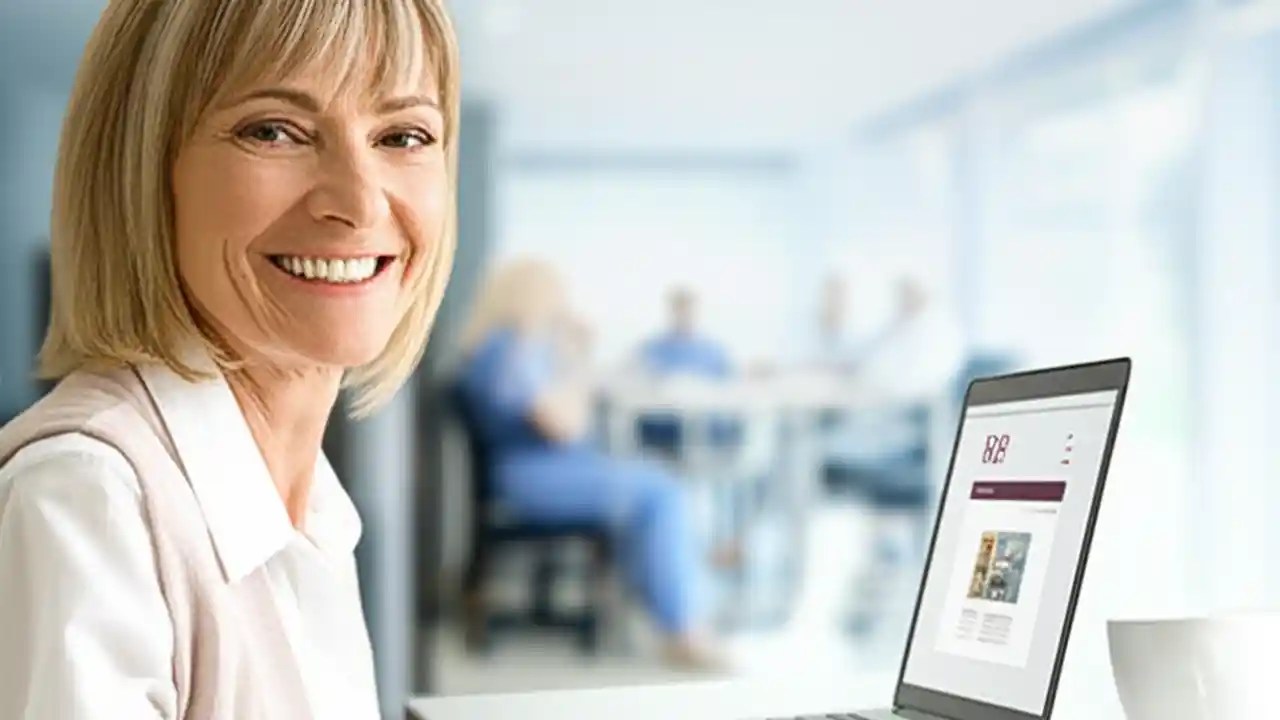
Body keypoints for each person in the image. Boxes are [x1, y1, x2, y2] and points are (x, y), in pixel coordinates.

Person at [0, 1, 460, 717]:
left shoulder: (308, 506)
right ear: (146, 170)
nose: (361, 203)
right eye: (274, 131)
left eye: (403, 135)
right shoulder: (91, 502)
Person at [456, 259, 719, 668]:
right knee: (662, 491)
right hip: (533, 480)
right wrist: (577, 358)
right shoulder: (511, 351)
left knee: (654, 483)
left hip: (539, 471)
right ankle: (683, 629)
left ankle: (673, 616)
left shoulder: (505, 348)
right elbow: (565, 426)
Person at [640, 286, 732, 379]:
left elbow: (729, 381)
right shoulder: (654, 350)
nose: (684, 314)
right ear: (672, 311)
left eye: (687, 309)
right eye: (679, 309)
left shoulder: (712, 352)